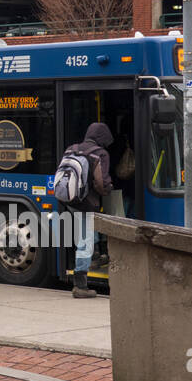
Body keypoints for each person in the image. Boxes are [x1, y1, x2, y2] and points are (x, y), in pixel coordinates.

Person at [66, 122, 113, 299]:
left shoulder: (72, 148)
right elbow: (101, 183)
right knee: (85, 240)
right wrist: (108, 189)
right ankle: (81, 286)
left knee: (83, 235)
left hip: (71, 200)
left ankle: (90, 258)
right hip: (87, 201)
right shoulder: (100, 154)